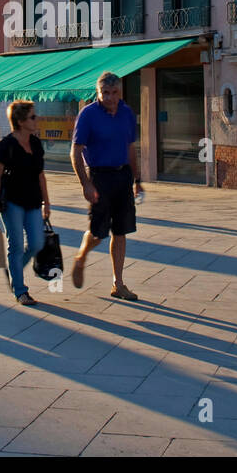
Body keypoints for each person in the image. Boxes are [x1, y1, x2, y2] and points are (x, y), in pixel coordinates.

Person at [69, 71, 143, 301]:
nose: (110, 98)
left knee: (120, 232)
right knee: (98, 233)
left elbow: (131, 148)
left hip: (123, 176)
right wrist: (85, 184)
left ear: (119, 92)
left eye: (114, 93)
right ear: (98, 93)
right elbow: (76, 150)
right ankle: (81, 257)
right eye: (105, 93)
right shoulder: (88, 115)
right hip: (99, 177)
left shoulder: (127, 113)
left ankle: (118, 283)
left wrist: (137, 180)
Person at [0, 100, 51, 308]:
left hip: (33, 201)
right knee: (15, 245)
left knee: (36, 243)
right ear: (21, 121)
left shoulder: (35, 143)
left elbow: (41, 175)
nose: (36, 119)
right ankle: (20, 290)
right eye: (33, 116)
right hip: (12, 202)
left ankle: (14, 271)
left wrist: (47, 202)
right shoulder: (6, 145)